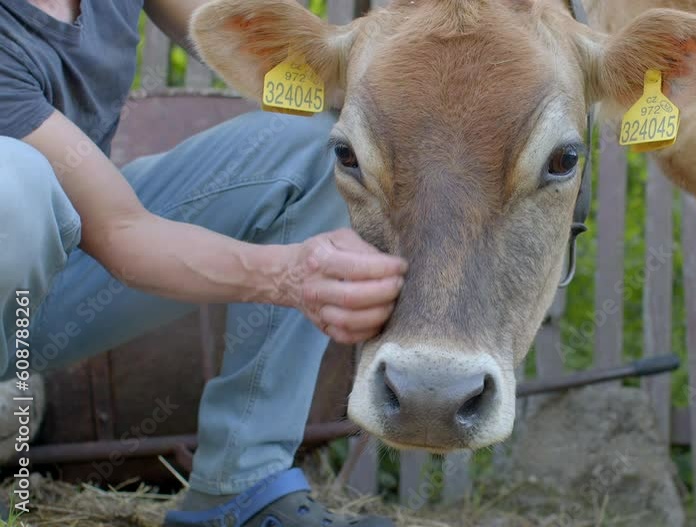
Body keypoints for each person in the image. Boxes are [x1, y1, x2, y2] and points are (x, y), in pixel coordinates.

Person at [0, 1, 402, 525]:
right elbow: (123, 232)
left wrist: (397, 65)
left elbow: (252, 36)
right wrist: (292, 275)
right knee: (16, 182)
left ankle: (240, 486)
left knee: (321, 151)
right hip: (38, 244)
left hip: (64, 263)